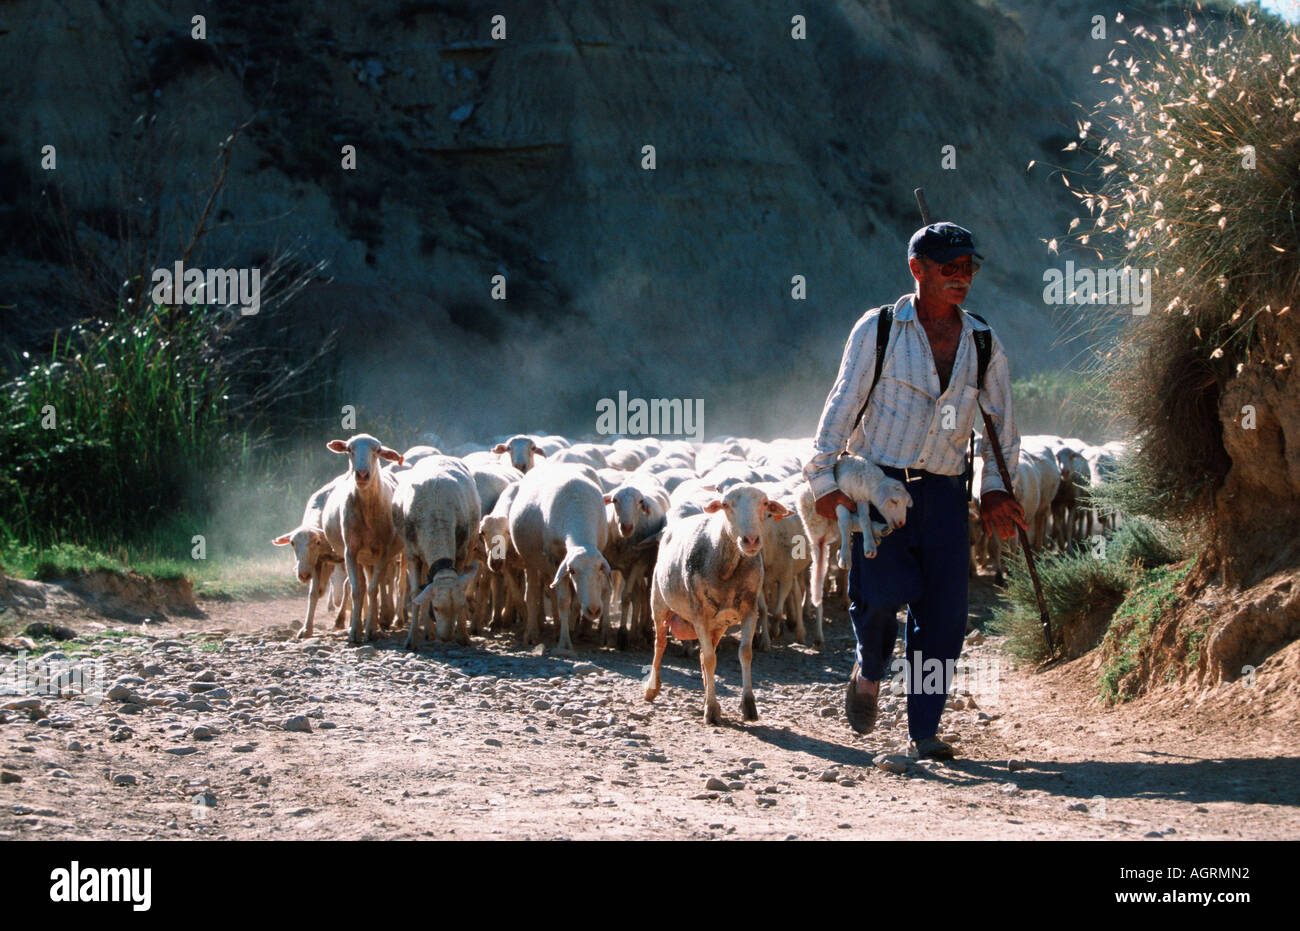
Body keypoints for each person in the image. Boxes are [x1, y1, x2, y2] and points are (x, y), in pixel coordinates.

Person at [803, 222, 1026, 759]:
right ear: (917, 270)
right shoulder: (878, 331)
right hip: (881, 489)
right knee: (879, 597)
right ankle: (870, 669)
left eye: (968, 268)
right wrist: (822, 481)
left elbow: (1001, 424)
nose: (962, 278)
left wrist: (995, 490)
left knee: (945, 617)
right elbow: (840, 407)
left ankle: (923, 731)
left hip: (947, 493)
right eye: (949, 268)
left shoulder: (983, 341)